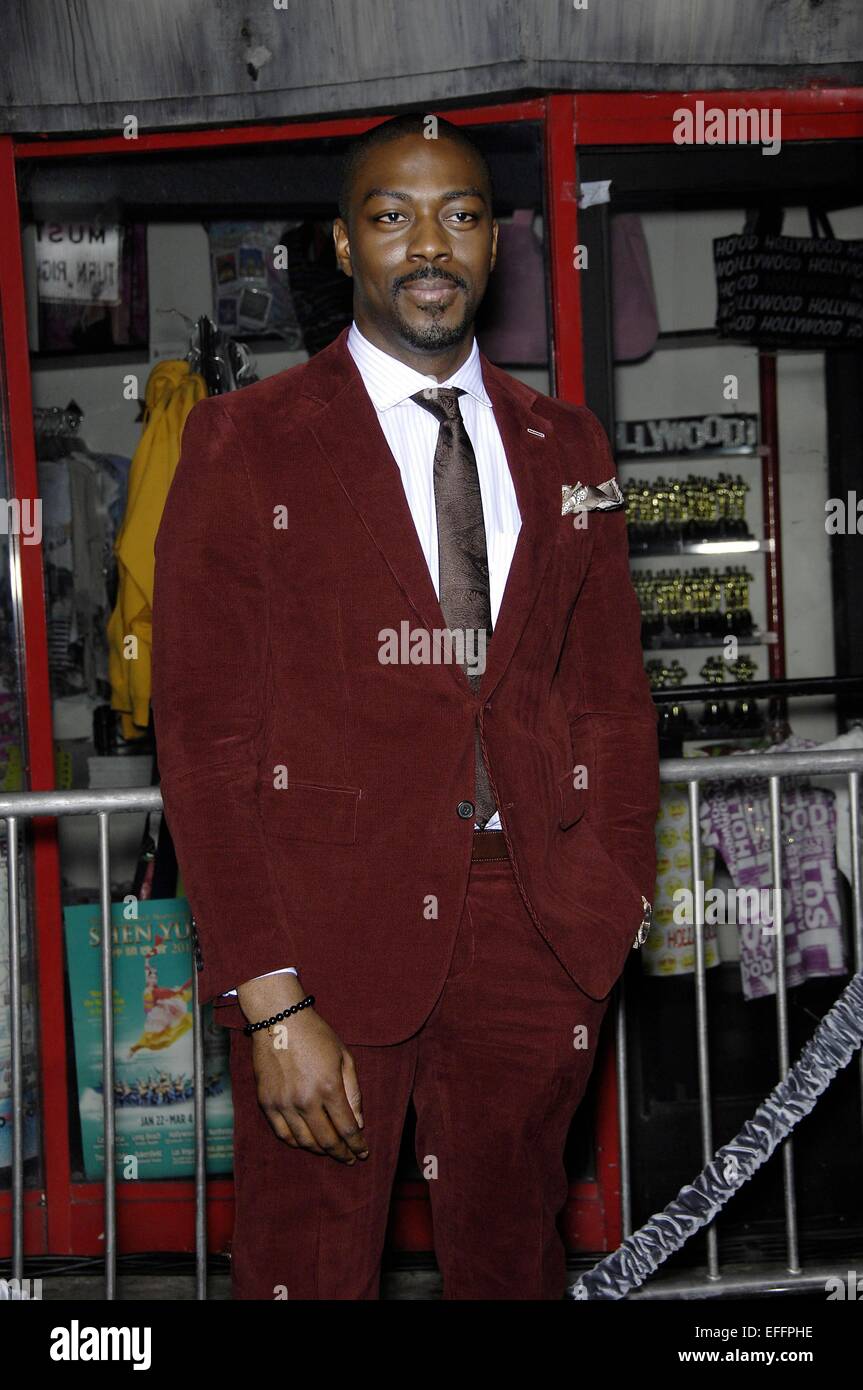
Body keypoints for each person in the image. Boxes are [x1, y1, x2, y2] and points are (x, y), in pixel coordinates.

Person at [151, 112, 660, 1300]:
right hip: (324, 940)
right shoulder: (246, 443)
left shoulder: (565, 442)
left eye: (461, 215)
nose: (428, 244)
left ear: (497, 245)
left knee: (514, 1263)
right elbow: (204, 738)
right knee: (308, 1270)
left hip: (535, 933)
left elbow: (611, 706)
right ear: (343, 244)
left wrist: (602, 914)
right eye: (392, 216)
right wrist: (269, 996)